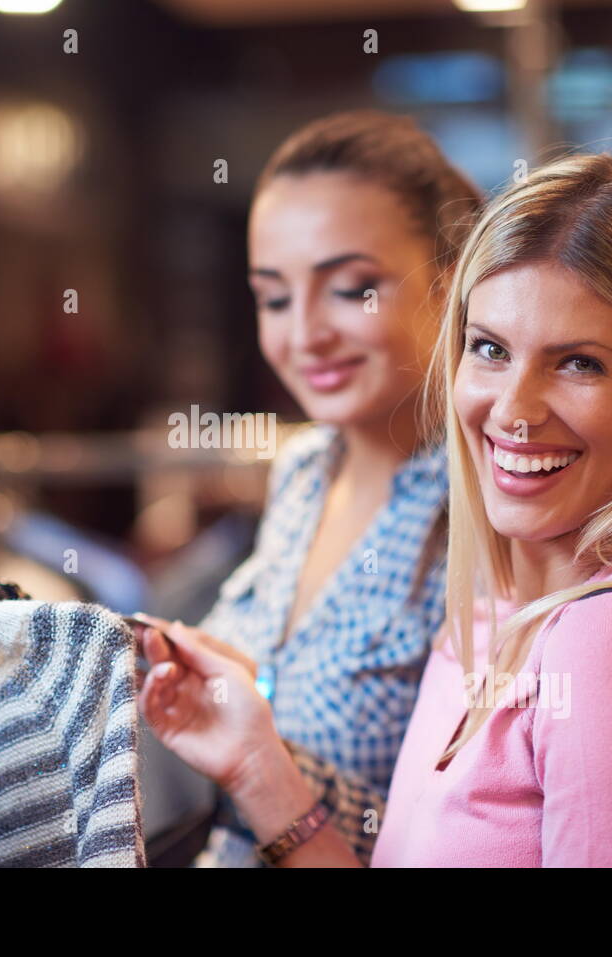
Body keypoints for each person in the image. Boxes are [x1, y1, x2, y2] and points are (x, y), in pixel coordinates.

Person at [138, 153, 612, 867]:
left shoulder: (607, 642)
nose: (513, 411)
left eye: (579, 362)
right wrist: (252, 764)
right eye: (489, 349)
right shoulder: (487, 614)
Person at [136, 110, 482, 866]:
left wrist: (261, 766)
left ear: (448, 279)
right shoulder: (301, 469)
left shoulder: (487, 506)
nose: (304, 336)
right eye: (275, 298)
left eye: (351, 287)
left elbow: (475, 835)